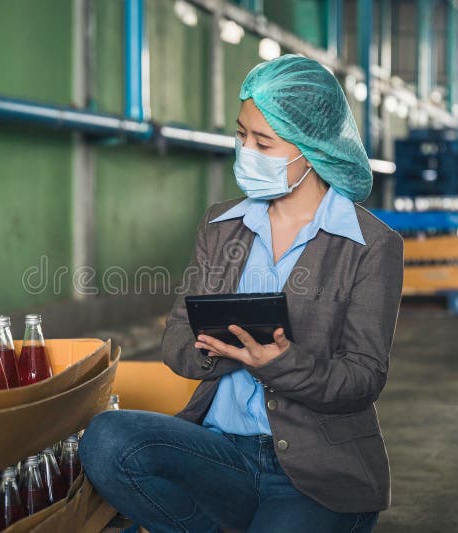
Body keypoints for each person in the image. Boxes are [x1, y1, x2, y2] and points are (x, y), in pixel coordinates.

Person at [79, 54, 404, 533]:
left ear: (310, 147)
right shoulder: (221, 226)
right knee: (106, 439)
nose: (245, 150)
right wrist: (221, 352)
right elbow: (176, 338)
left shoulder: (371, 245)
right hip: (221, 454)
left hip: (316, 474)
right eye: (241, 135)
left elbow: (362, 378)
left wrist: (278, 364)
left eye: (263, 142)